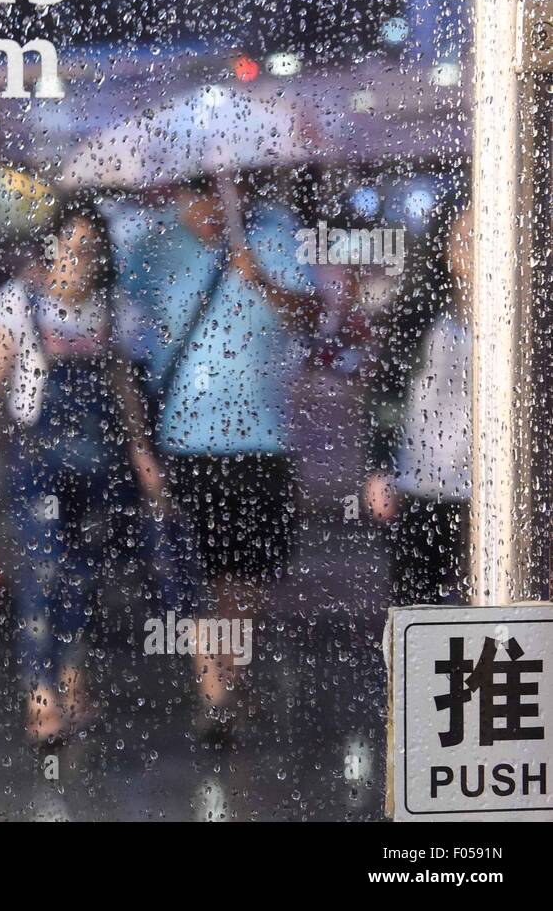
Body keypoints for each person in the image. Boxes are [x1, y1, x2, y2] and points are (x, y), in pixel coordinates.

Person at [0, 198, 162, 742]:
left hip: (99, 461)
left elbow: (124, 390)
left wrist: (142, 455)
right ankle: (39, 695)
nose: (76, 261)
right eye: (67, 248)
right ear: (50, 249)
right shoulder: (19, 302)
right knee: (41, 572)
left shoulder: (114, 309)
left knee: (83, 577)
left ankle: (73, 679)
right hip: (36, 460)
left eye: (87, 250)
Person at [128, 177, 319, 746]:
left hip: (262, 439)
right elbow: (123, 341)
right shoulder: (155, 249)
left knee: (247, 578)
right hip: (185, 440)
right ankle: (216, 692)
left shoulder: (276, 236)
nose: (205, 211)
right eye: (193, 200)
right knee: (198, 575)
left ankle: (229, 673)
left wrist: (257, 276)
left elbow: (310, 320)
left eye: (214, 198)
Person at [364, 206, 472, 607]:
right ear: (446, 245)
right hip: (421, 478)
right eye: (467, 234)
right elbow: (387, 394)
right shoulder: (421, 313)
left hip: (491, 488)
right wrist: (379, 466)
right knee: (417, 605)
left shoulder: (525, 316)